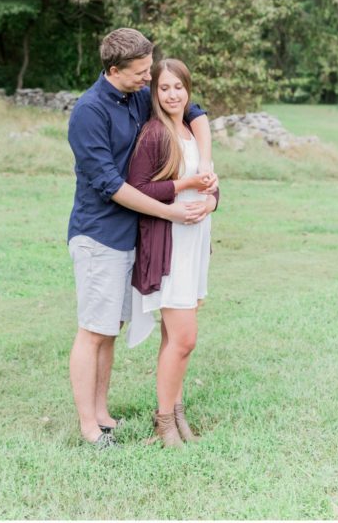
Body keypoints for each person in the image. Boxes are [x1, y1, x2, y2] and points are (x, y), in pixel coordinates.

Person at [66, 29, 217, 448]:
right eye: (140, 72)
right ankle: (89, 427)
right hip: (100, 234)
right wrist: (171, 210)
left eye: (149, 69)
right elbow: (112, 185)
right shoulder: (89, 112)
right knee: (92, 331)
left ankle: (103, 413)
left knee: (110, 328)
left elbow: (194, 111)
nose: (148, 78)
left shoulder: (135, 94)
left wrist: (205, 166)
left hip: (134, 232)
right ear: (114, 70)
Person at [125, 58, 217, 448]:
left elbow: (211, 186)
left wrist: (211, 201)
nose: (172, 94)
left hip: (195, 247)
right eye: (164, 88)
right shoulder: (154, 135)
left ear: (188, 90)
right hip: (170, 247)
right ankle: (164, 423)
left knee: (173, 338)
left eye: (178, 87)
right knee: (184, 339)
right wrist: (184, 185)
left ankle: (177, 414)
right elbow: (138, 189)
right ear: (155, 93)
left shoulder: (192, 133)